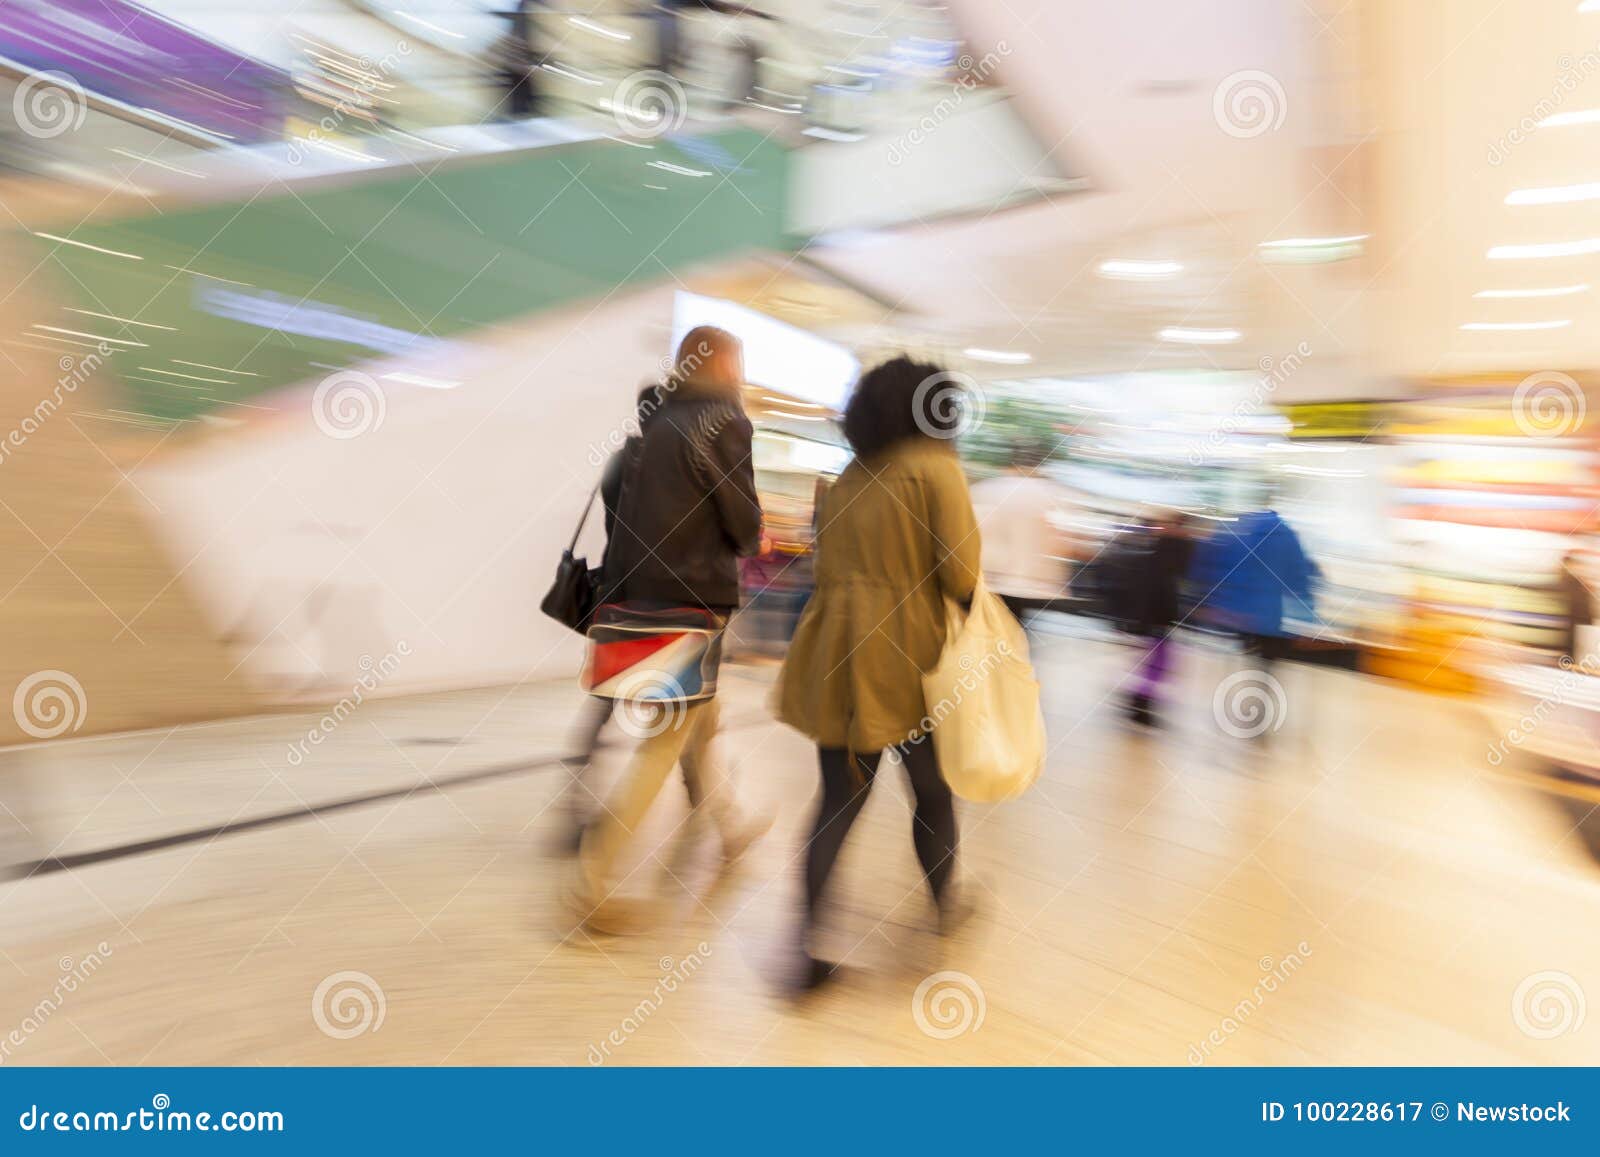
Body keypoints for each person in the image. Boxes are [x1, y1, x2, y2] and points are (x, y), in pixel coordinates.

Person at [774, 355, 981, 989]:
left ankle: (804, 949)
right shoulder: (937, 473)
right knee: (933, 793)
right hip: (909, 661)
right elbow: (963, 575)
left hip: (835, 655)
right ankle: (944, 907)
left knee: (838, 799)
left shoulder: (848, 477)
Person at [568, 329, 769, 930]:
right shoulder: (724, 420)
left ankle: (730, 830)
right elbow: (744, 524)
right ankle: (590, 878)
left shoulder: (654, 424)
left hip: (639, 598)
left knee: (699, 727)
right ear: (727, 364)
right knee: (666, 741)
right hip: (694, 603)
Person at [1187, 505, 1318, 676]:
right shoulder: (1288, 535)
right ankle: (1258, 691)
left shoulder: (1239, 531)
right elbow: (1299, 574)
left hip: (1237, 610)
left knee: (1236, 654)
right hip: (1272, 613)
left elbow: (1215, 564)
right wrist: (1308, 606)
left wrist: (1206, 596)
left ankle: (1231, 686)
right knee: (1266, 660)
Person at [969, 440, 1076, 631]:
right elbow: (1061, 541)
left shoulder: (985, 489)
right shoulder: (1050, 493)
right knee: (1014, 633)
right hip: (1030, 583)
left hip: (990, 577)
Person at [1101, 509, 1193, 726]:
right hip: (1156, 616)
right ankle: (1140, 707)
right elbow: (1164, 588)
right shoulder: (1169, 550)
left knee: (1148, 663)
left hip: (1149, 616)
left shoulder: (1155, 549)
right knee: (1153, 664)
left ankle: (1138, 704)